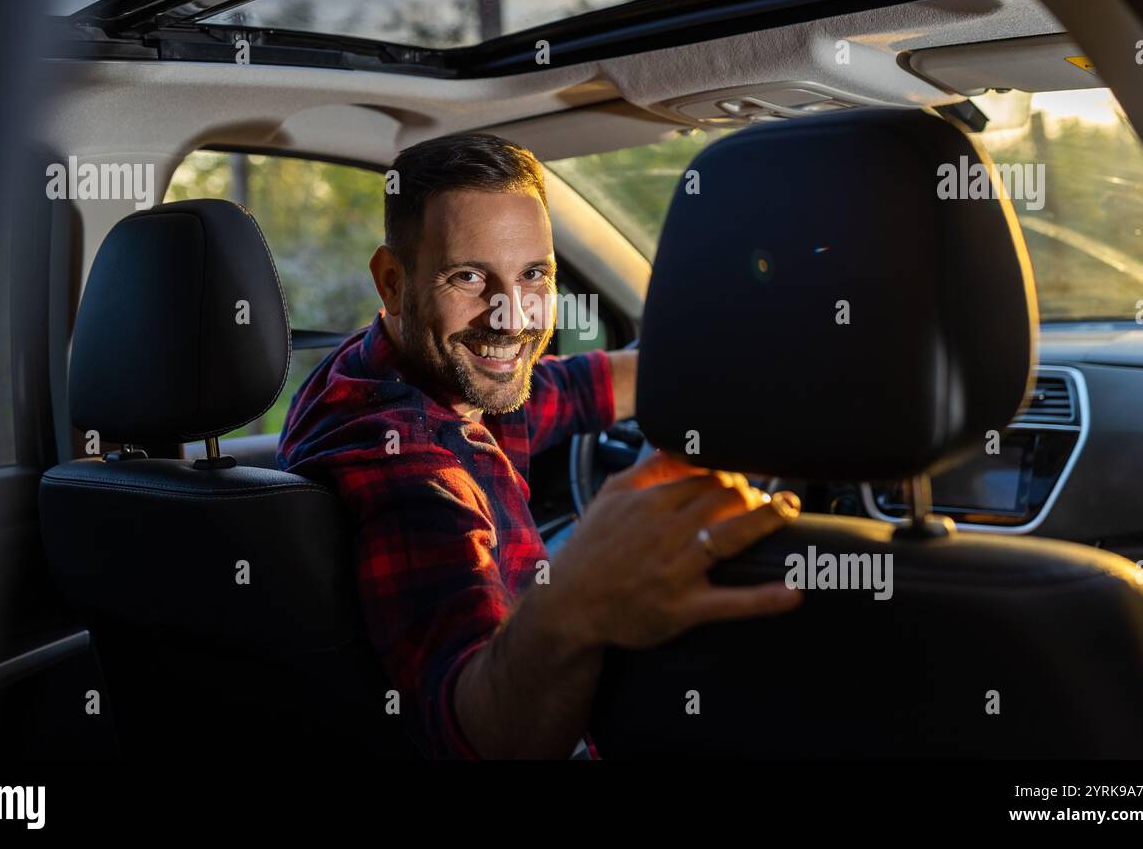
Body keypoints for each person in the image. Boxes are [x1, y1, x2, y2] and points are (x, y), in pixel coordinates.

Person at [278, 133, 802, 758]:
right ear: (392, 281)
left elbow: (566, 387)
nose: (511, 316)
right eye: (468, 276)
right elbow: (484, 732)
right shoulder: (411, 468)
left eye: (534, 274)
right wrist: (575, 601)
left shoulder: (381, 366)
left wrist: (723, 362)